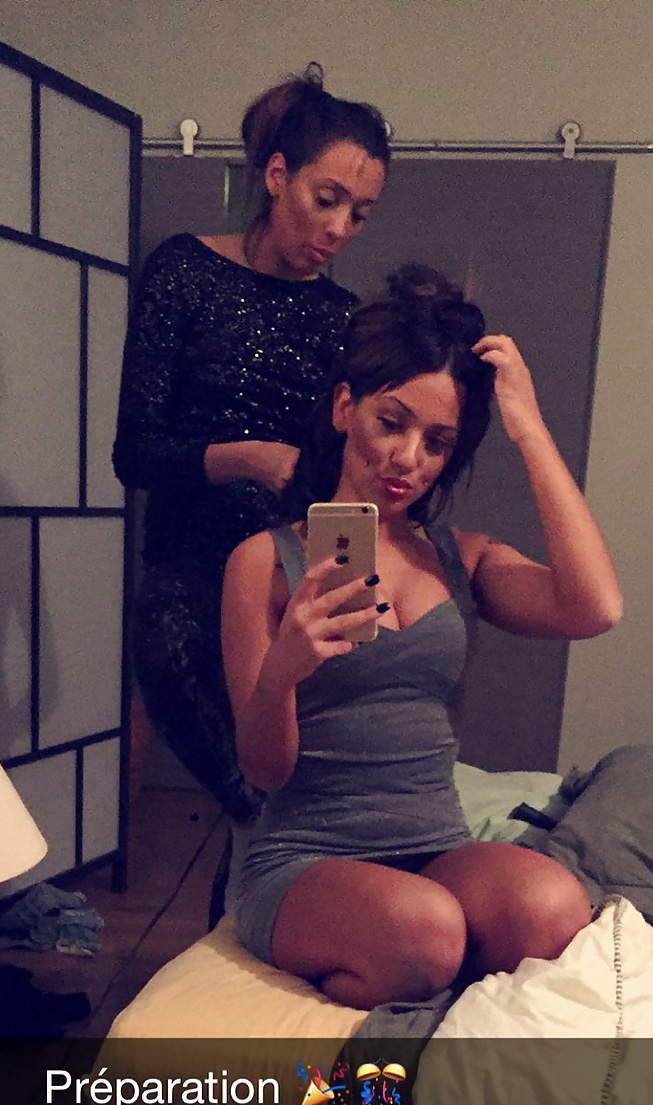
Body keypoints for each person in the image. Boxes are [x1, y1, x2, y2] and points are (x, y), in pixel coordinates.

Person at [221, 265, 623, 1009]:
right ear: (345, 407)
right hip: (307, 857)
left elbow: (594, 608)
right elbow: (264, 773)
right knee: (428, 931)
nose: (409, 458)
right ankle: (395, 975)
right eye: (392, 422)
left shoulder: (461, 557)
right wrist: (284, 672)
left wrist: (529, 428)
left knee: (554, 907)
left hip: (437, 850)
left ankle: (419, 965)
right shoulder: (263, 563)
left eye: (437, 442)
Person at [112, 66, 389, 824]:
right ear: (276, 176)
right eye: (326, 200)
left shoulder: (343, 315)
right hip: (189, 584)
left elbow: (346, 472)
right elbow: (135, 453)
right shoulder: (184, 270)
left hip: (293, 584)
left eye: (360, 214)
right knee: (257, 803)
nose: (339, 229)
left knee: (309, 794)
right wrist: (249, 457)